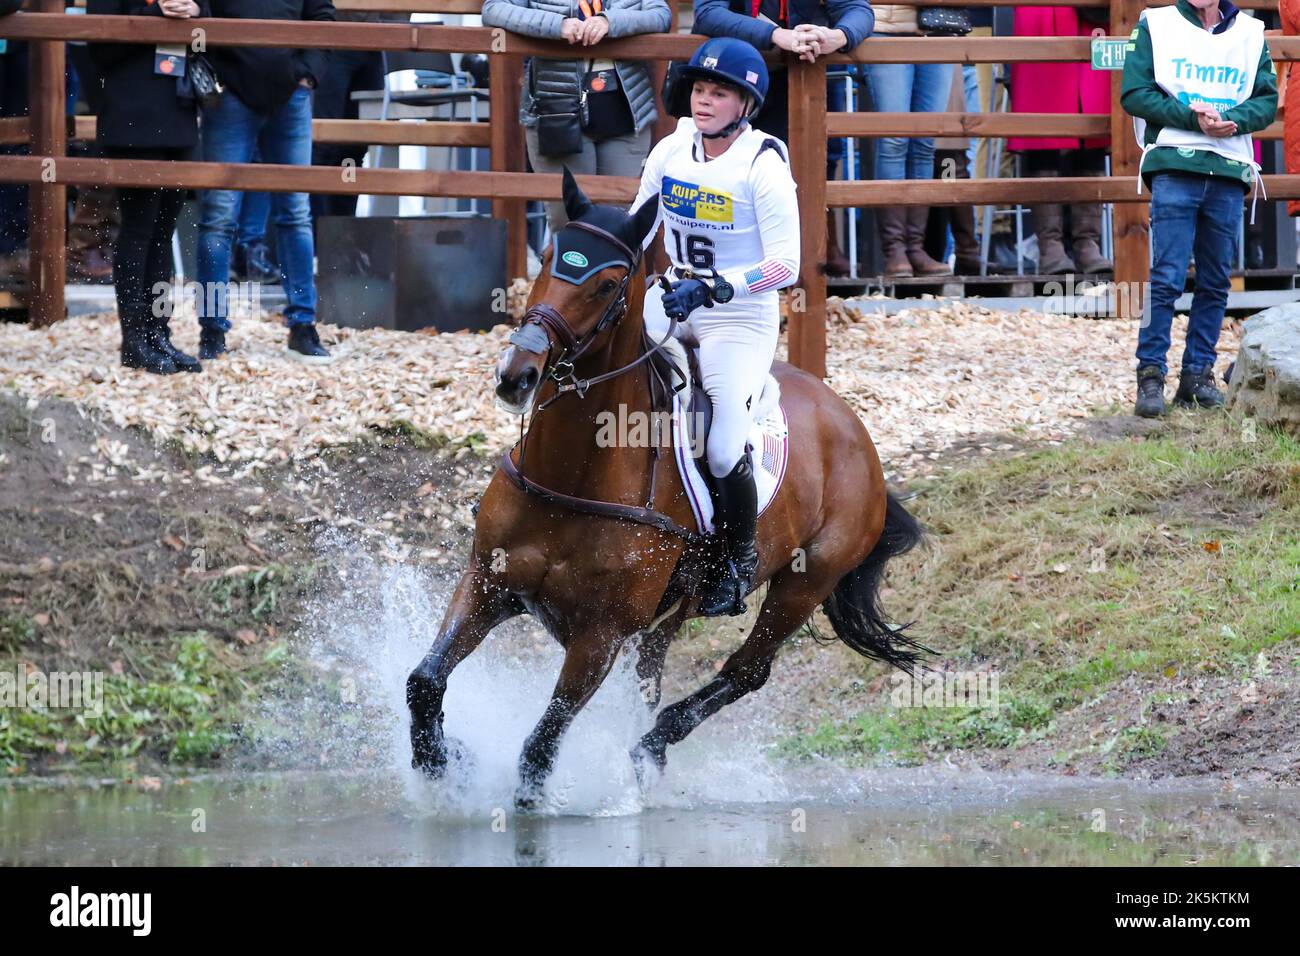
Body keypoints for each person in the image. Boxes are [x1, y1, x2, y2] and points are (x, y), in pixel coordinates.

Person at [634, 37, 800, 616]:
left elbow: (787, 264)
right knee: (593, 365)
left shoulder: (763, 164)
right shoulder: (670, 150)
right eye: (700, 90)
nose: (704, 102)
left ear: (745, 104)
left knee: (726, 447)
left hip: (739, 313)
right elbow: (641, 226)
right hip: (674, 294)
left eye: (719, 93)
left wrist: (715, 286)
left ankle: (735, 559)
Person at [1122, 0, 1276, 416]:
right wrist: (1195, 120)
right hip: (1175, 159)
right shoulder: (1156, 23)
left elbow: (1266, 100)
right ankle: (1151, 375)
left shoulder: (1250, 31)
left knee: (1215, 280)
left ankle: (1197, 375)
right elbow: (1134, 93)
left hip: (1228, 165)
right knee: (1167, 278)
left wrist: (1231, 119)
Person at [196, 0, 336, 364]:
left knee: (292, 211)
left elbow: (322, 15)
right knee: (220, 214)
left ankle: (302, 324)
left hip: (288, 91)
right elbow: (202, 10)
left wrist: (308, 74)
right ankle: (212, 328)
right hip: (234, 90)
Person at [88, 0, 207, 374]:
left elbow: (205, 33)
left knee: (163, 229)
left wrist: (196, 11)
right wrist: (157, 16)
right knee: (140, 229)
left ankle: (158, 331)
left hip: (178, 106)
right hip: (133, 115)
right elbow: (101, 44)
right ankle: (134, 337)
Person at [481, 0, 671, 233]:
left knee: (617, 226)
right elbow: (494, 9)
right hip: (557, 113)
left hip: (625, 111)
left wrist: (609, 22)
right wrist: (556, 25)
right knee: (570, 226)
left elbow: (661, 15)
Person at [1011, 6, 1113, 275]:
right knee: (1043, 127)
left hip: (1094, 22)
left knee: (1092, 123)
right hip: (1043, 15)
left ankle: (1086, 242)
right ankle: (1050, 244)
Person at [864, 3, 953, 277]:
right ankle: (894, 249)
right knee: (894, 140)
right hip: (884, 26)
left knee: (925, 142)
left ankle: (915, 247)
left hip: (939, 29)